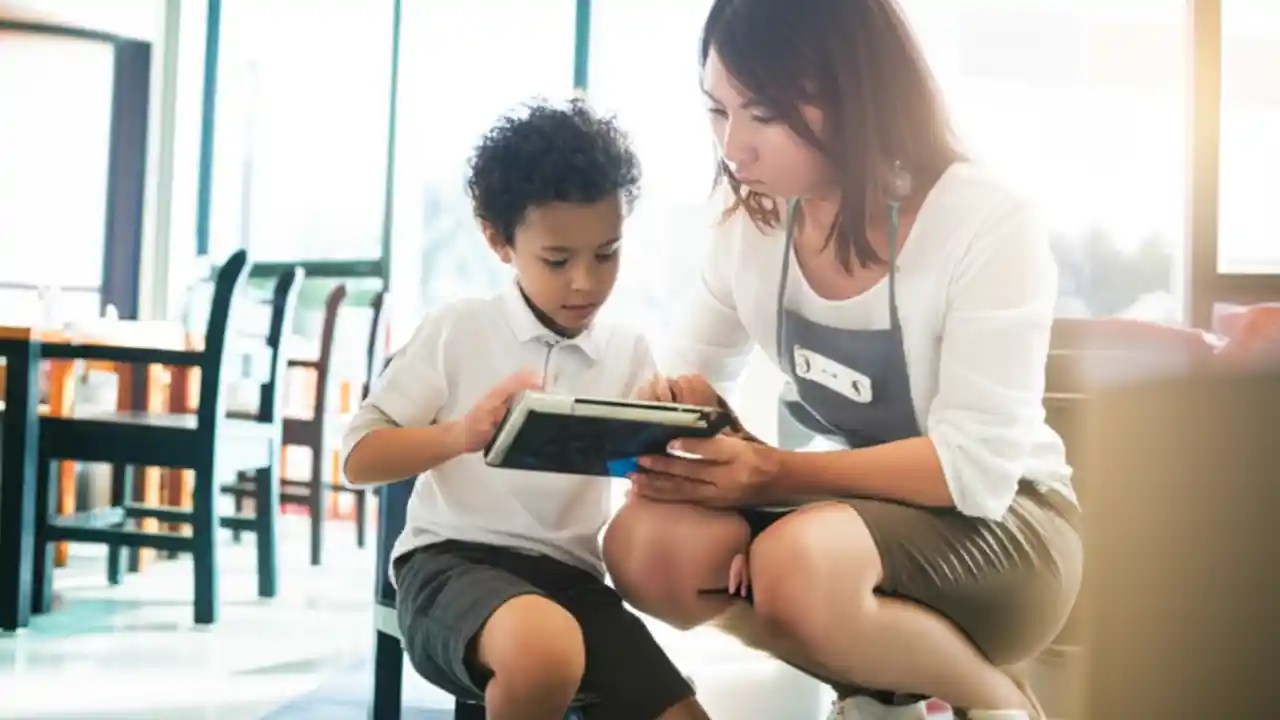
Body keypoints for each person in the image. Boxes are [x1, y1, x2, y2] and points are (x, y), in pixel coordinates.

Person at [602, 1, 1083, 719]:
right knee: (645, 549)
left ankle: (990, 695)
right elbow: (681, 377)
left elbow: (976, 474)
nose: (735, 147)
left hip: (1009, 528)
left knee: (799, 564)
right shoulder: (751, 229)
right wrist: (675, 437)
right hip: (847, 522)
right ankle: (876, 684)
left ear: (854, 95)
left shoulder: (986, 222)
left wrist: (777, 473)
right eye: (717, 110)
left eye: (762, 114)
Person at [342, 100, 710, 720]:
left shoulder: (629, 353)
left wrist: (681, 428)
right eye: (558, 260)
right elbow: (358, 460)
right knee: (544, 649)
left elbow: (655, 488)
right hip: (449, 567)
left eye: (608, 253)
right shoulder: (459, 329)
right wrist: (461, 434)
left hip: (571, 581)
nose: (585, 284)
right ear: (498, 240)